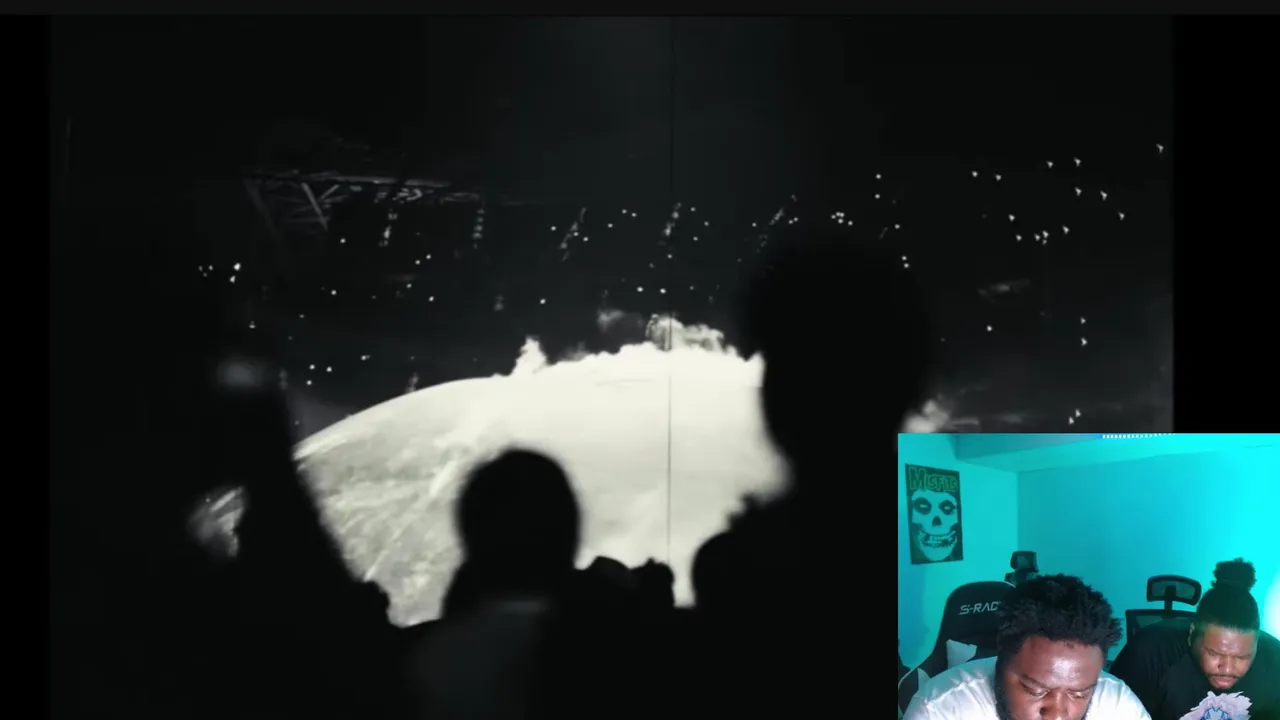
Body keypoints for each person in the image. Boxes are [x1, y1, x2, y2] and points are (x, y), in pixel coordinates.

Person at [904, 574, 1149, 720]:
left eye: (1079, 694)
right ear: (1000, 661)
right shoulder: (940, 710)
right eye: (1035, 690)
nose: (1057, 715)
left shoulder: (1118, 705)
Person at [1109, 558, 1280, 720]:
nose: (1227, 669)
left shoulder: (1274, 660)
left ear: (1256, 644)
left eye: (1242, 657)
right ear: (1192, 634)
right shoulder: (1148, 656)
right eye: (1214, 654)